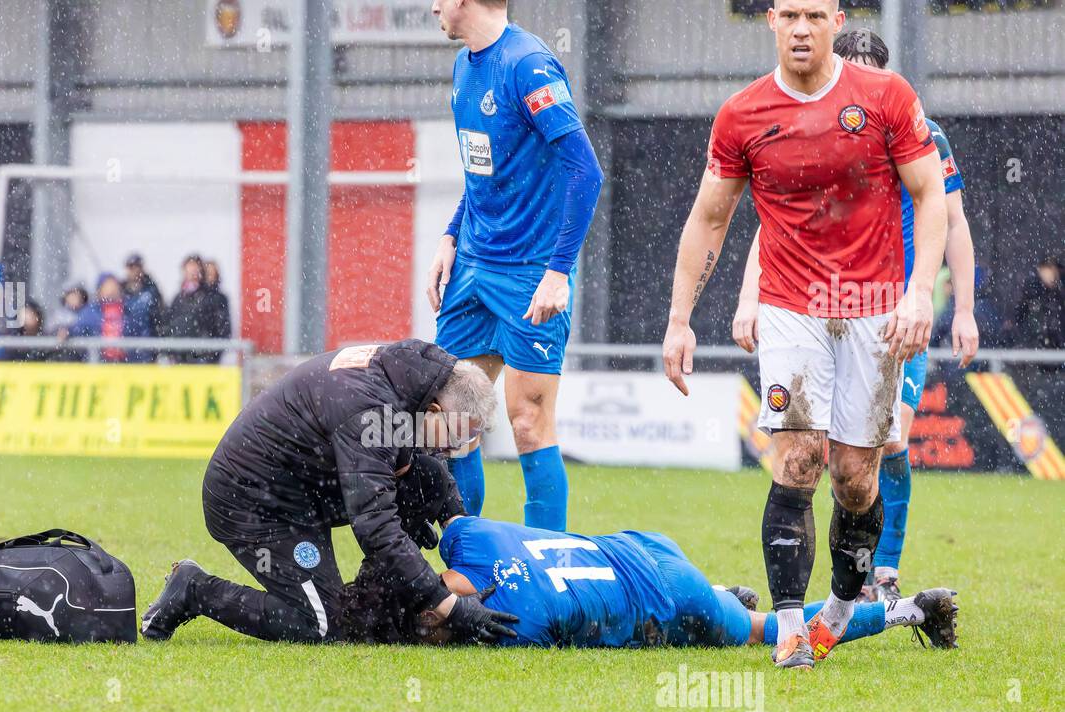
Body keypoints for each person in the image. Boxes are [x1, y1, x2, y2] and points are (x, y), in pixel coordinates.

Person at [662, 0, 949, 670]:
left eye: (814, 15)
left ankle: (841, 610)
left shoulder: (885, 97)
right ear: (770, 20)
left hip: (875, 308)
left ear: (836, 20)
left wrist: (918, 294)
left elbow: (931, 195)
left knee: (855, 476)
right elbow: (710, 219)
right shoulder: (742, 114)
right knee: (798, 460)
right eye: (788, 13)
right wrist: (680, 320)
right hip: (791, 310)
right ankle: (790, 627)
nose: (799, 27)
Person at [733, 27, 979, 603]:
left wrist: (960, 308)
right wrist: (750, 299)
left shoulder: (923, 134)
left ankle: (882, 571)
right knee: (810, 454)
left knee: (888, 444)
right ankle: (815, 588)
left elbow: (955, 222)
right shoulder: (811, 127)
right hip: (815, 306)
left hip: (894, 309)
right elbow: (775, 226)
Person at [139, 340, 517, 646]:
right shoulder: (372, 414)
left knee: (426, 477)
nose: (457, 449)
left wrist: (457, 524)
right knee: (320, 624)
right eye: (456, 437)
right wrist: (449, 604)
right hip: (252, 503)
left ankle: (381, 605)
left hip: (303, 486)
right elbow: (376, 526)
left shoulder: (418, 375)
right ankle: (194, 589)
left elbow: (422, 474)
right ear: (434, 410)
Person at [425, 0, 604, 532]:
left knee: (527, 420)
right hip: (472, 268)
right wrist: (451, 235)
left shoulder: (528, 64)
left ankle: (547, 567)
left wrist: (557, 272)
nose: (432, 6)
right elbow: (483, 170)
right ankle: (466, 561)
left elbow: (585, 171)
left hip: (528, 273)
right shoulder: (463, 65)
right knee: (450, 420)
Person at [339, 507, 959, 654]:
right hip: (642, 544)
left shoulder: (512, 624)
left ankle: (910, 611)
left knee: (777, 635)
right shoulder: (469, 537)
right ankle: (723, 593)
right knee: (706, 611)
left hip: (668, 599)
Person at [163, 255, 228, 363]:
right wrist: (170, 352)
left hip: (202, 361)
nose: (193, 273)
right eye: (189, 269)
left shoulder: (210, 297)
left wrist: (210, 355)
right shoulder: (178, 298)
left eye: (195, 269)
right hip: (180, 360)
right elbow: (169, 325)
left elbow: (220, 329)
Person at [1008, 255, 1065, 349]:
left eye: (1047, 273)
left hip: (1058, 342)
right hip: (1040, 343)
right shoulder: (1035, 292)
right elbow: (1020, 315)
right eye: (1043, 274)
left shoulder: (1059, 292)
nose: (1045, 278)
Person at [123, 253, 166, 340]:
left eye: (137, 267)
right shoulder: (121, 290)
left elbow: (159, 314)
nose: (135, 271)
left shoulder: (152, 289)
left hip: (148, 340)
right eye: (131, 267)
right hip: (127, 341)